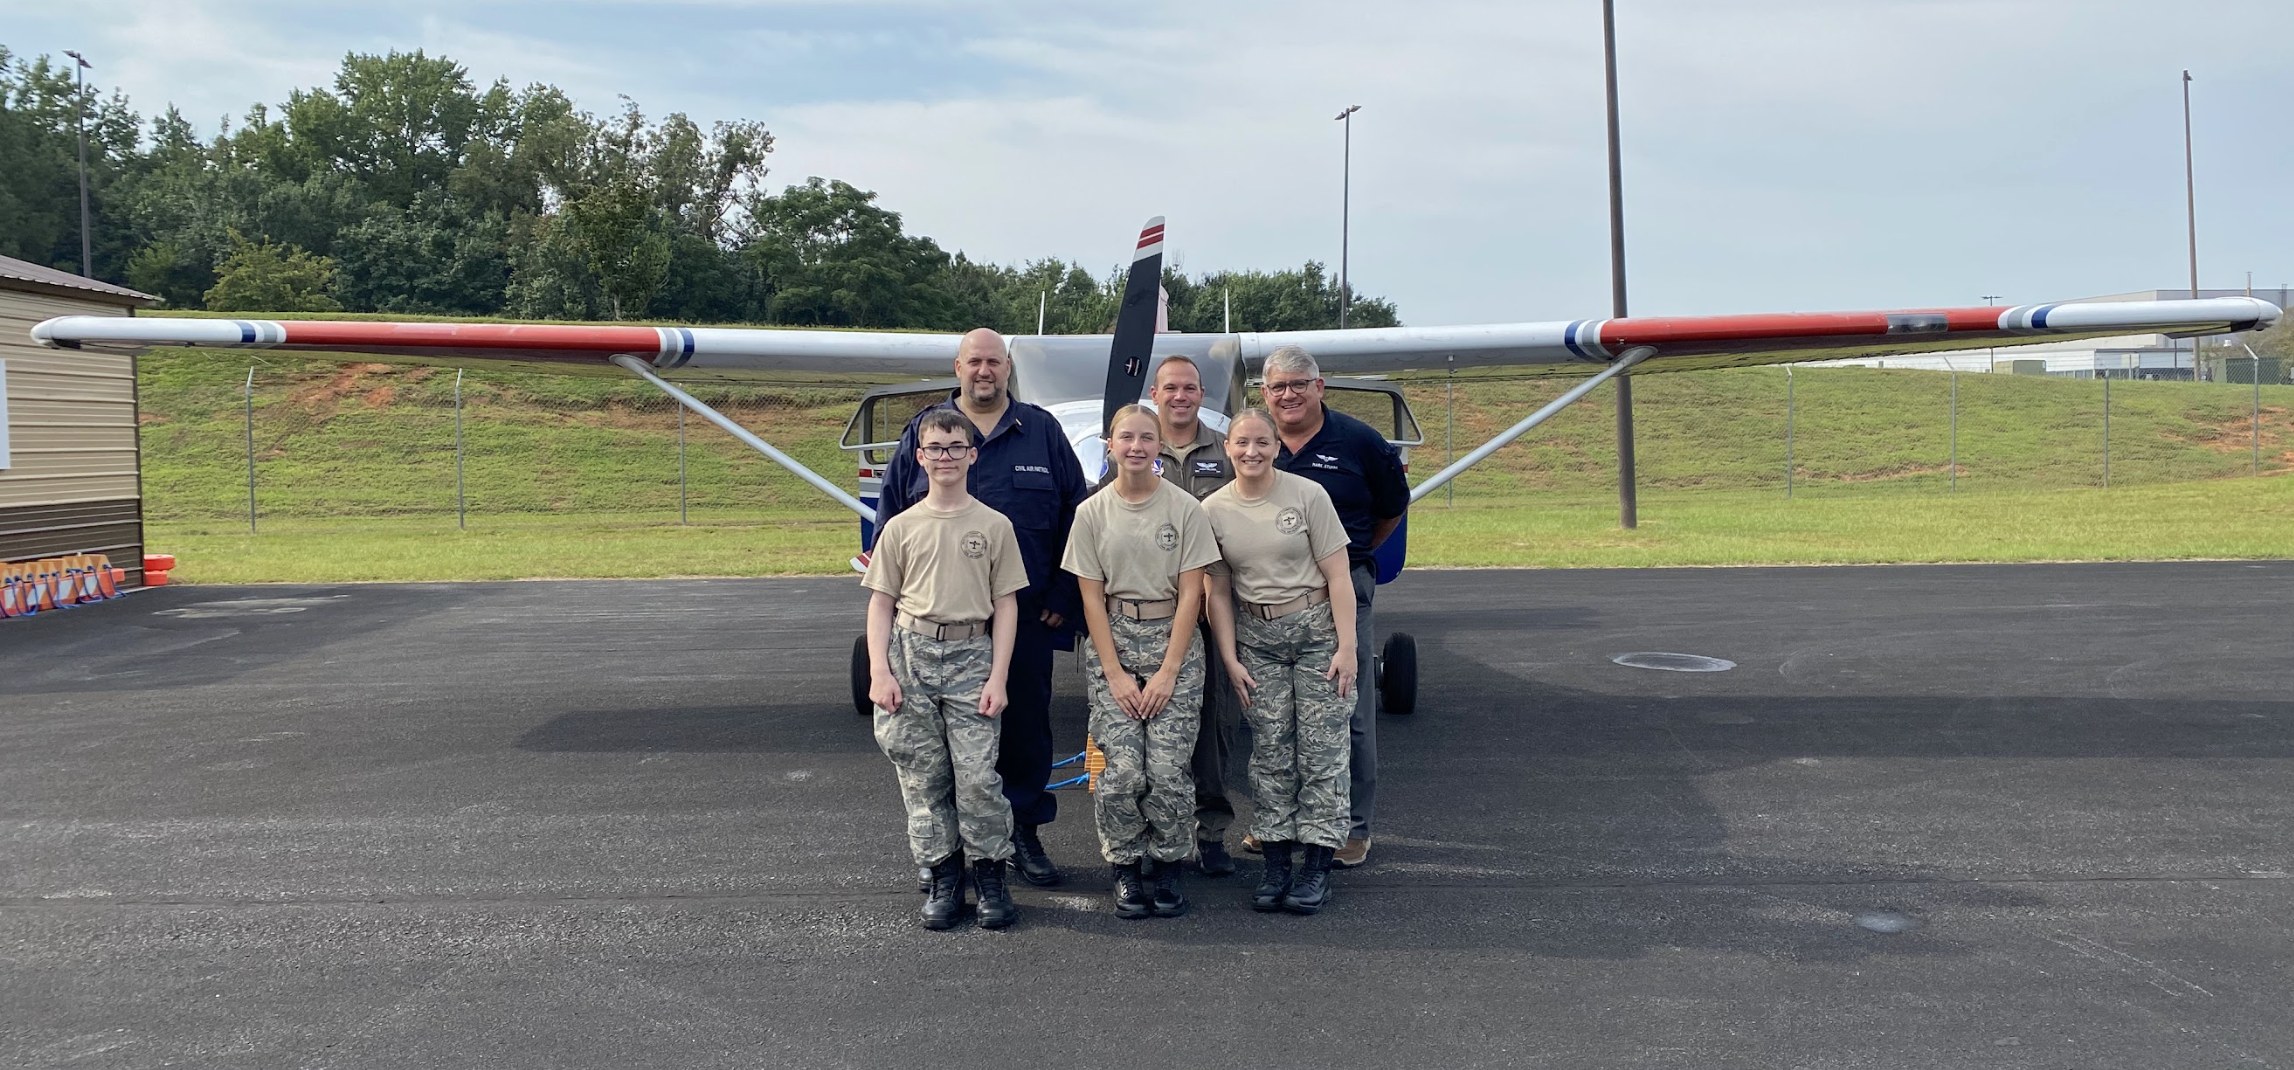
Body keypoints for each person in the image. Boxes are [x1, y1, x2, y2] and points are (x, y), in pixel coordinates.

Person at [877, 328, 1091, 888]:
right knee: (938, 743)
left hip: (1027, 614)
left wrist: (1064, 596)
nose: (984, 371)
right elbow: (893, 519)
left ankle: (1022, 832)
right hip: (941, 622)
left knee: (1024, 726)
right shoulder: (924, 433)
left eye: (994, 361)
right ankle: (945, 850)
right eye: (974, 361)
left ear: (1007, 368)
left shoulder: (1041, 430)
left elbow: (1077, 514)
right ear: (958, 367)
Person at [862, 408, 1030, 930]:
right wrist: (879, 672)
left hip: (971, 655)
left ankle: (991, 875)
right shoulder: (901, 527)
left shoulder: (993, 525)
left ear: (971, 454)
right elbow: (880, 604)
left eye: (956, 447)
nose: (946, 457)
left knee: (978, 776)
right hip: (911, 654)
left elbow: (1006, 604)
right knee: (923, 778)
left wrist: (999, 676)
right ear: (920, 457)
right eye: (935, 448)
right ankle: (943, 874)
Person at [1063, 404, 1222, 919]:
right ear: (1109, 445)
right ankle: (1127, 867)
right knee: (1121, 770)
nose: (1136, 446)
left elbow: (1194, 594)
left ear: (1159, 446)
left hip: (1173, 638)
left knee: (1170, 769)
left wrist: (1169, 671)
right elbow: (1091, 600)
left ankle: (1170, 863)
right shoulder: (1091, 514)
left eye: (1146, 438)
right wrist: (1113, 674)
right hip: (1115, 639)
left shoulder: (1184, 509)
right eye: (1125, 437)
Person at [1202, 407, 1358, 915]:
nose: (1252, 452)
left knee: (1321, 751)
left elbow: (1339, 576)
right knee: (1270, 752)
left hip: (1316, 632)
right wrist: (1229, 657)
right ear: (1228, 447)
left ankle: (1316, 864)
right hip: (1257, 638)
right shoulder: (1214, 510)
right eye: (1242, 443)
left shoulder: (1307, 496)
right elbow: (1217, 590)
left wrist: (1348, 646)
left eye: (1262, 443)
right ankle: (1275, 861)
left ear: (1276, 446)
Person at [1259, 344, 1408, 869]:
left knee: (1351, 711)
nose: (1289, 394)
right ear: (1264, 393)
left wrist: (1353, 557)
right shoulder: (1256, 443)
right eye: (1278, 386)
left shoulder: (1360, 441)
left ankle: (1351, 826)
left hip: (1342, 592)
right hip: (1271, 600)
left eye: (1299, 384)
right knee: (1279, 716)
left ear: (1319, 387)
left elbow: (1392, 508)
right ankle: (1282, 821)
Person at [1143, 356, 1244, 877]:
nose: (1179, 397)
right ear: (1154, 393)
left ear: (1202, 393)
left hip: (1208, 615)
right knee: (1144, 730)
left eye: (1189, 388)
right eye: (1170, 388)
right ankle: (1155, 832)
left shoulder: (1226, 454)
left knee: (1212, 728)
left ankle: (1211, 831)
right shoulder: (1136, 448)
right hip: (1144, 618)